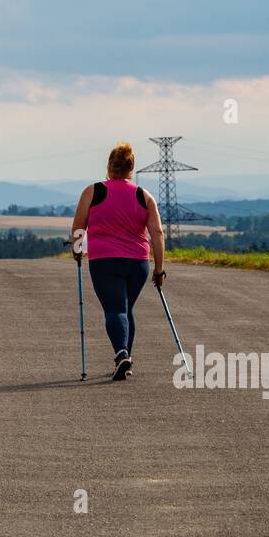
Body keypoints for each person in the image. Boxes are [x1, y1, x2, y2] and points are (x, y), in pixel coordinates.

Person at [70, 142, 166, 380]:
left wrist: (77, 249)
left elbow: (79, 225)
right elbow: (157, 233)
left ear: (109, 166)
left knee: (115, 309)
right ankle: (126, 360)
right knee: (126, 309)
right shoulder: (144, 196)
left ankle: (122, 354)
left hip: (105, 261)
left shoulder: (93, 191)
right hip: (138, 263)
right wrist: (159, 269)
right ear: (131, 168)